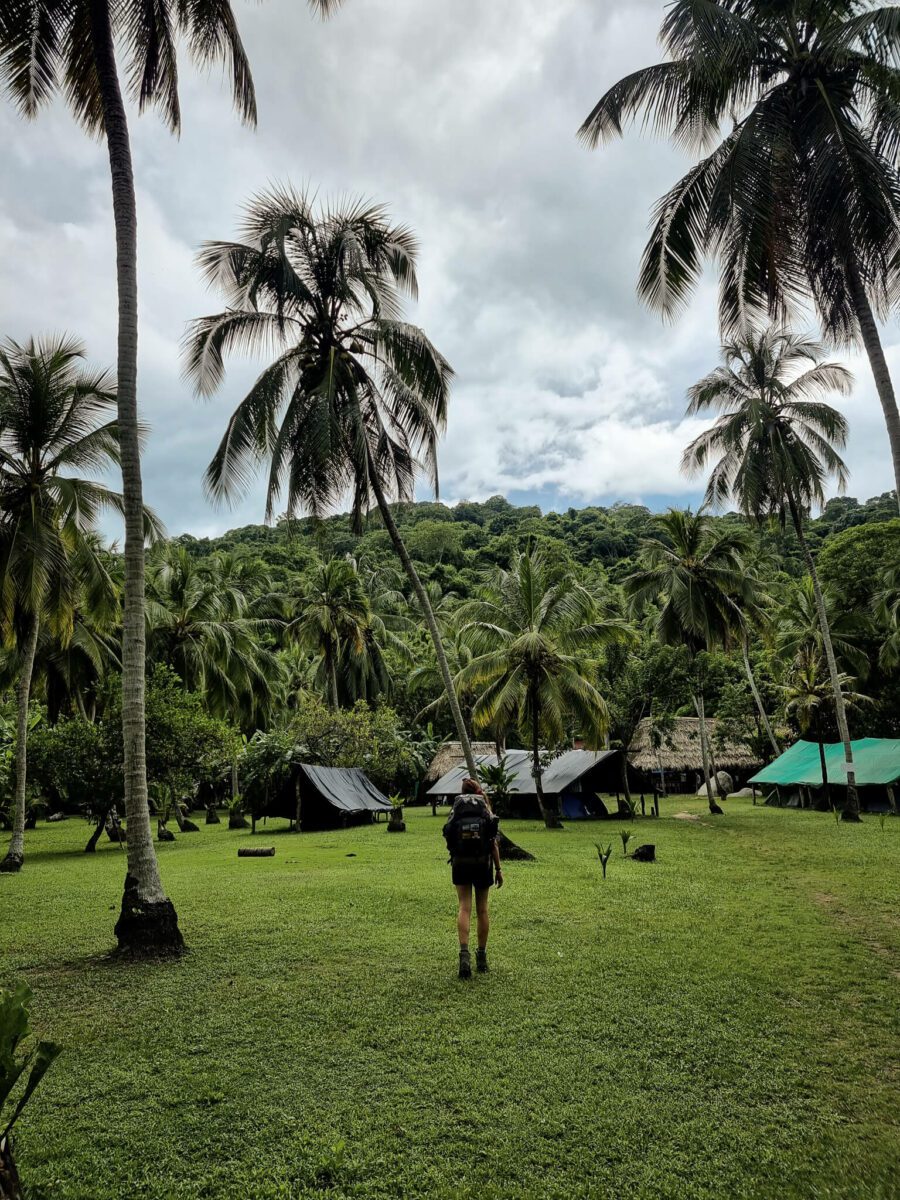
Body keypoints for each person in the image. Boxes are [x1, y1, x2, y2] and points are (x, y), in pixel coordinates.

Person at [442, 778, 503, 979]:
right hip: (482, 863)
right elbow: (494, 843)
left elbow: (448, 835)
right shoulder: (485, 810)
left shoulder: (457, 810)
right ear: (479, 791)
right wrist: (499, 870)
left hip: (460, 863)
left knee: (464, 908)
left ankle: (464, 957)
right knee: (482, 909)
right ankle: (482, 958)